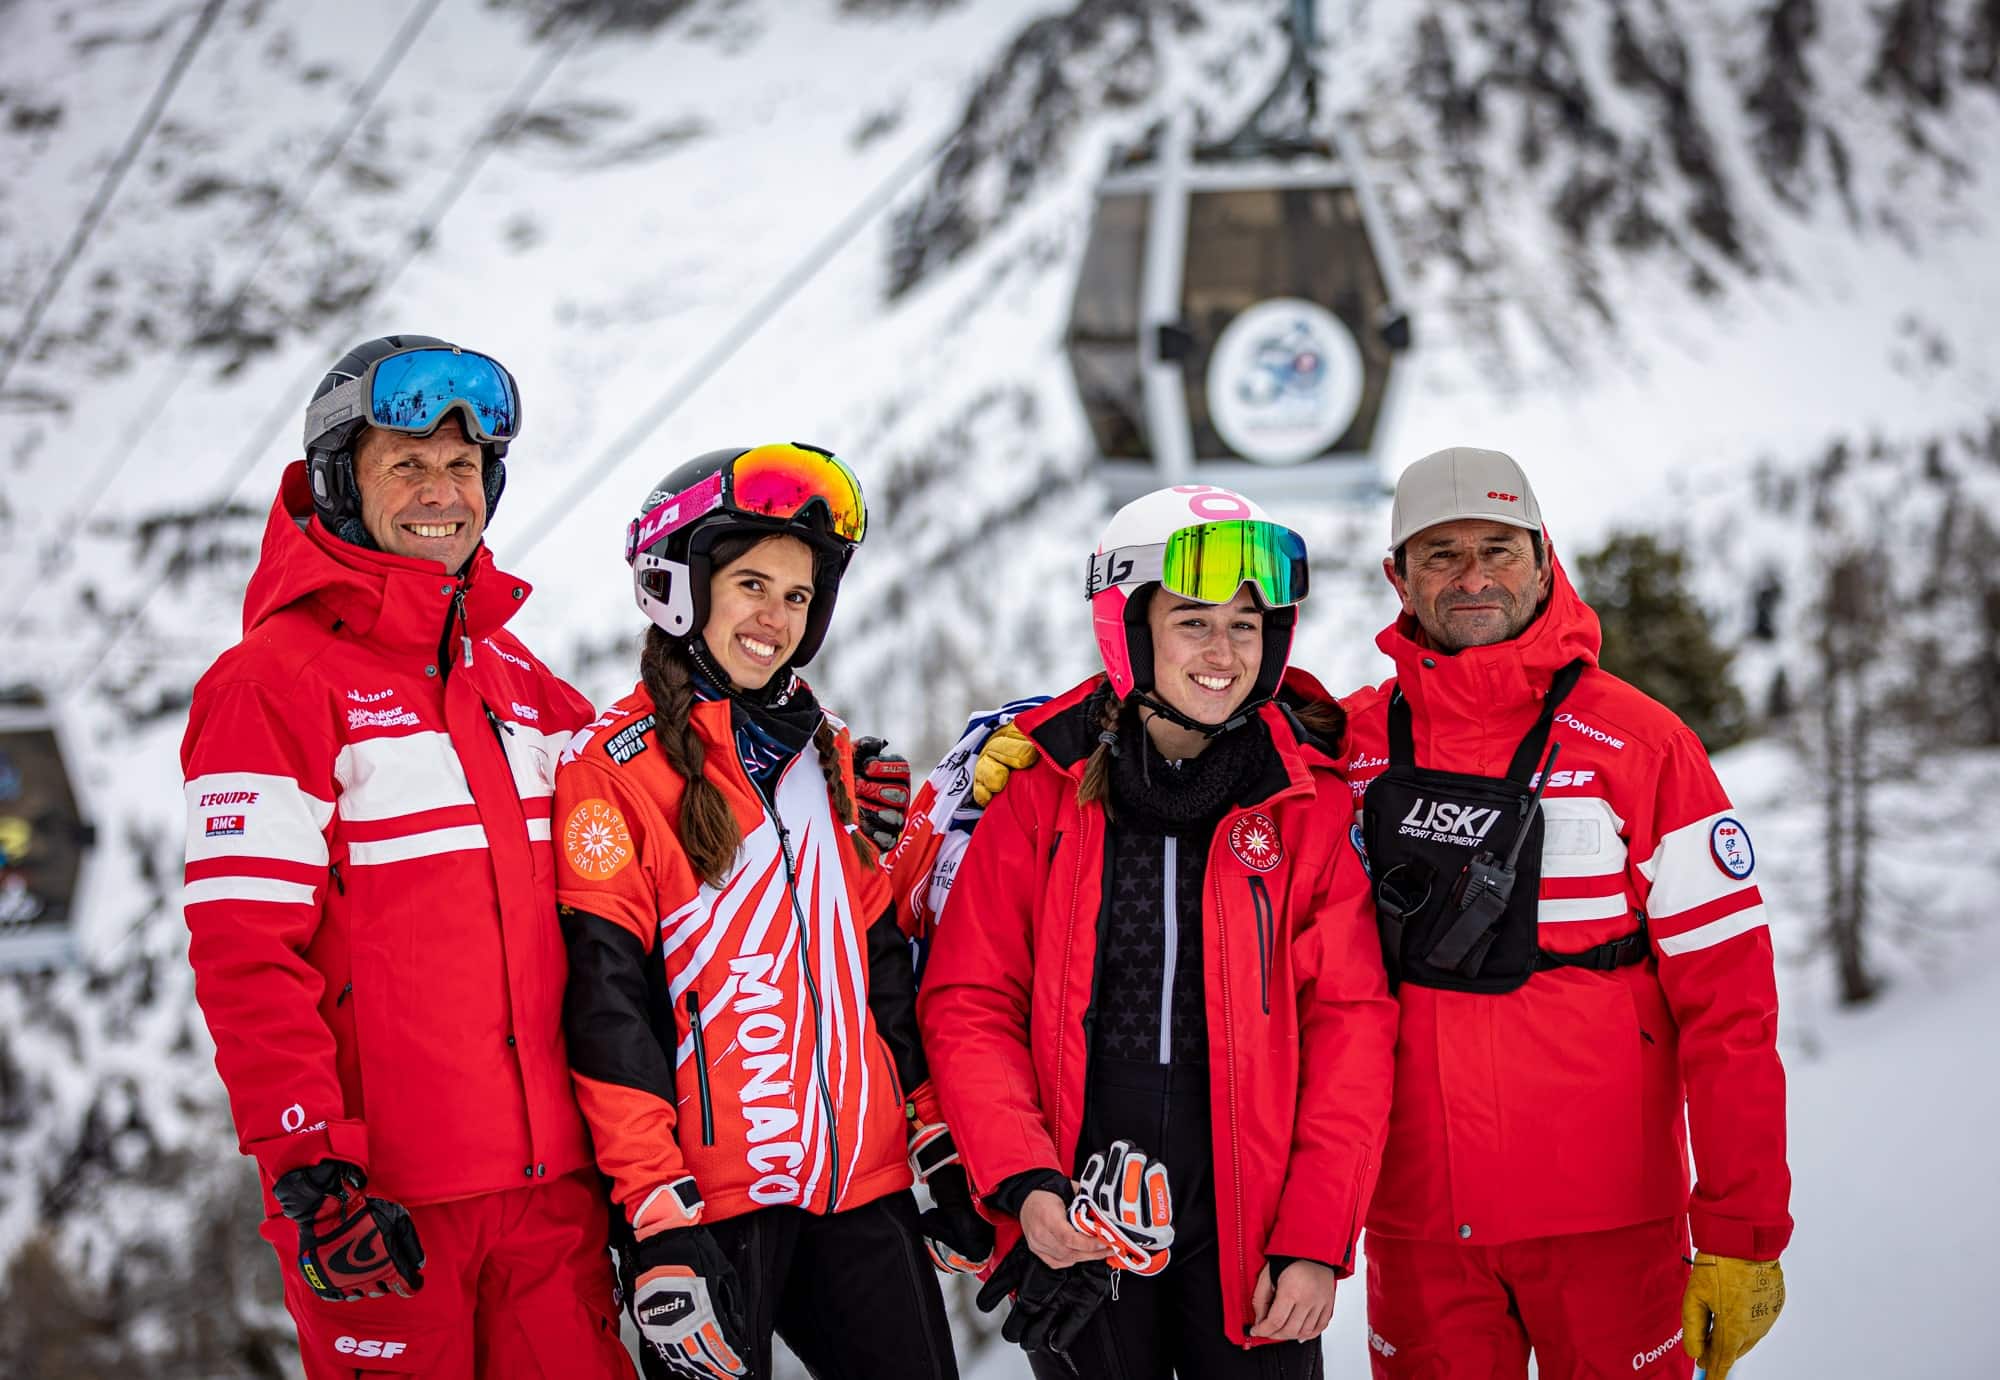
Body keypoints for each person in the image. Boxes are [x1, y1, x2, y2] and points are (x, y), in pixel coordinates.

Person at [180, 335, 633, 1378]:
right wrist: (309, 1169)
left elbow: (637, 853)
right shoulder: (270, 687)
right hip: (384, 1209)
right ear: (343, 480)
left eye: (464, 467)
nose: (443, 491)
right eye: (408, 463)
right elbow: (247, 951)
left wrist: (815, 777)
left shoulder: (521, 682)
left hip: (554, 1200)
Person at [915, 485, 1399, 1379]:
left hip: (1249, 1224)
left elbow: (1351, 1028)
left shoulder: (1305, 806)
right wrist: (1024, 1185)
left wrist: (1315, 1239)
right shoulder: (1041, 791)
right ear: (1128, 629)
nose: (1224, 653)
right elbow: (971, 1002)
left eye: (1246, 627)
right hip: (1081, 1210)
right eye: (1193, 623)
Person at [1344, 447, 1790, 1380]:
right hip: (1418, 1226)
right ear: (1398, 576)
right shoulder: (1349, 747)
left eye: (1498, 550)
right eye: (1440, 554)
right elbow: (1194, 724)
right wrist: (1038, 739)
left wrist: (1743, 1229)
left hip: (1609, 1225)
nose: (1473, 577)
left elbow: (1732, 1007)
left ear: (1545, 559)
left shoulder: (1643, 743)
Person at [553, 443, 989, 1380]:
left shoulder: (830, 759)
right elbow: (607, 1012)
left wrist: (938, 1142)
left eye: (798, 596)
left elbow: (880, 976)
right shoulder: (612, 773)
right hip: (708, 1212)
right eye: (752, 583)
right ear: (680, 588)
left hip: (861, 1193)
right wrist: (656, 1217)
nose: (775, 617)